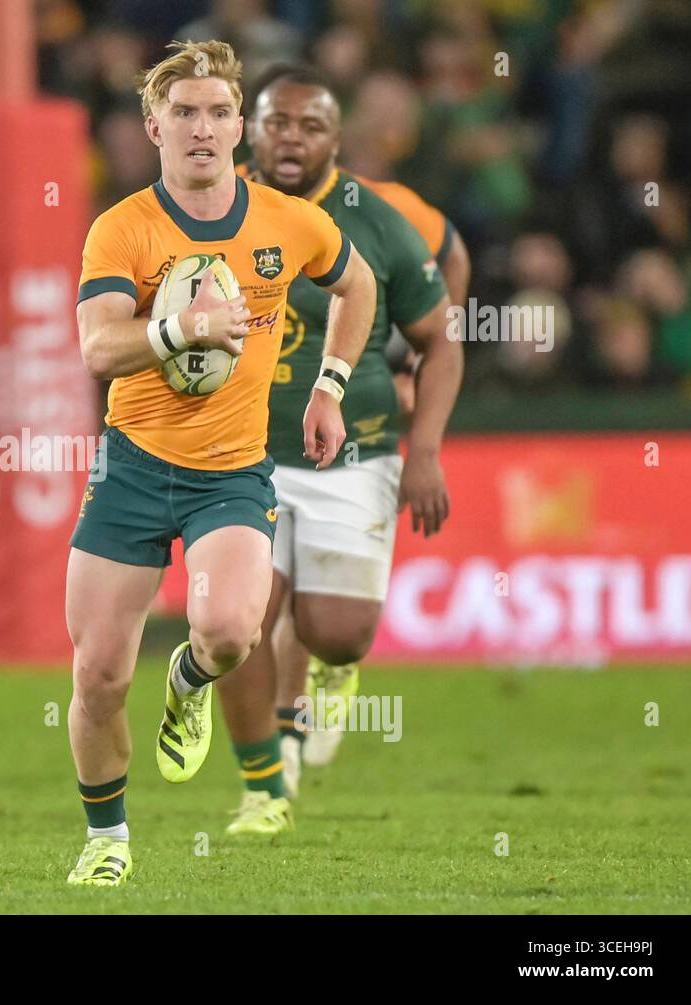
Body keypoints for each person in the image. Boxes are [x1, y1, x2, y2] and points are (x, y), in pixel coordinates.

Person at [66, 40, 376, 886]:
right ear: (152, 126)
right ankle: (107, 842)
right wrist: (181, 330)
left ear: (239, 126)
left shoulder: (287, 221)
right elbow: (97, 347)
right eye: (184, 113)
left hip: (231, 474)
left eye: (217, 113)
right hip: (130, 468)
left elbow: (359, 286)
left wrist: (331, 386)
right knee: (95, 674)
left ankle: (190, 677)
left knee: (232, 632)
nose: (202, 129)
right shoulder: (122, 227)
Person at [221, 64, 462, 813]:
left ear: (337, 138)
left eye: (311, 125)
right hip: (241, 451)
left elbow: (446, 299)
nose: (291, 138)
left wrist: (422, 442)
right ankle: (266, 775)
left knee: (336, 631)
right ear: (250, 127)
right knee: (241, 621)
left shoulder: (381, 214)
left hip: (351, 447)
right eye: (277, 122)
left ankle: (329, 672)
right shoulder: (208, 202)